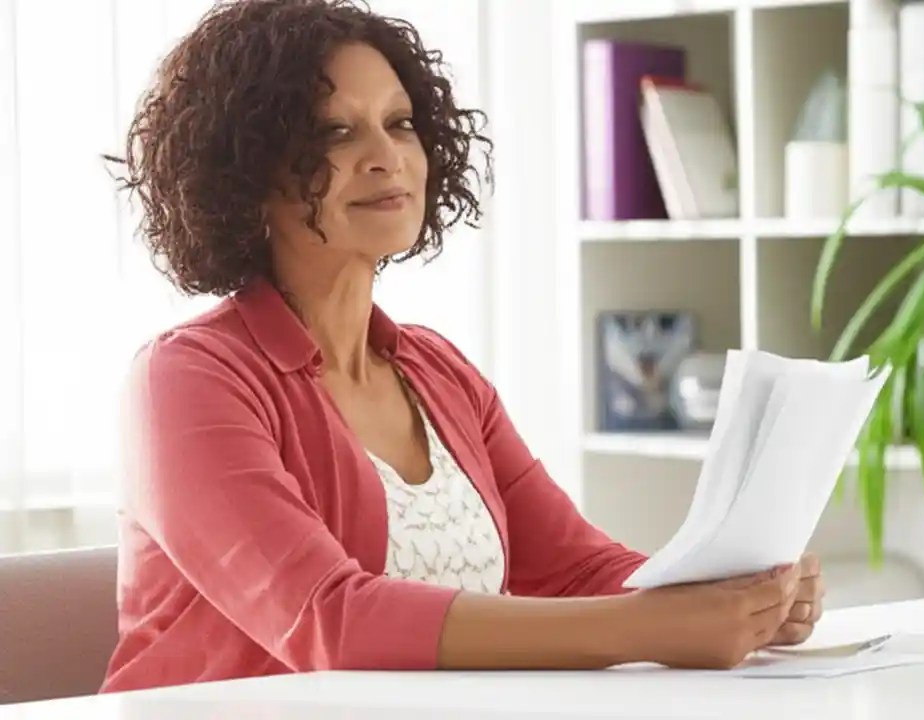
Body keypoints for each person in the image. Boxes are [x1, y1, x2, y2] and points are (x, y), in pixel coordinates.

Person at [100, 0, 826, 694]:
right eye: (335, 133)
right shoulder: (186, 379)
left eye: (401, 123)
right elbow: (331, 620)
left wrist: (733, 600)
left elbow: (575, 570)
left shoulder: (435, 370)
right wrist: (651, 627)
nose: (388, 157)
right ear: (246, 172)